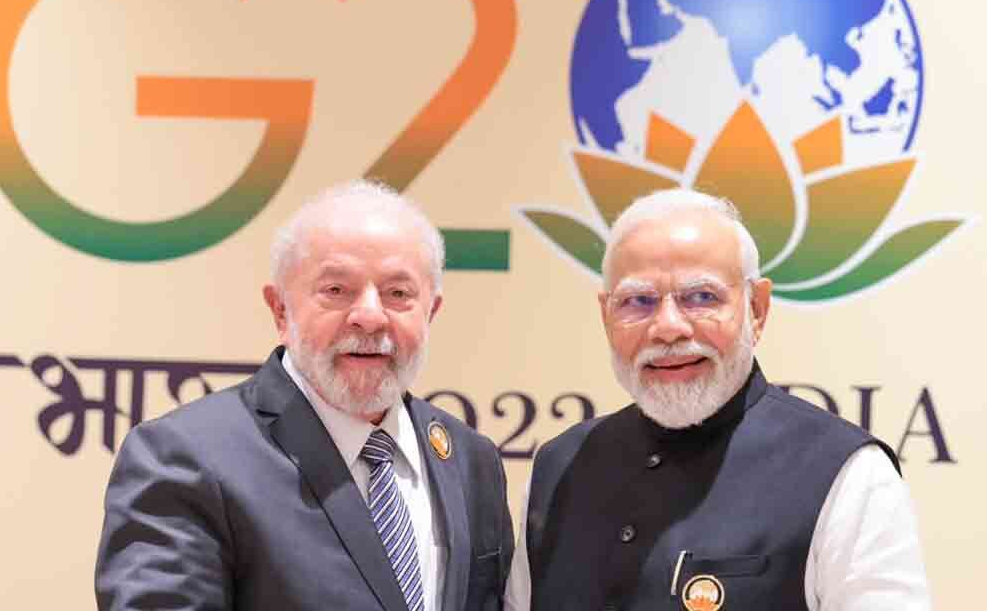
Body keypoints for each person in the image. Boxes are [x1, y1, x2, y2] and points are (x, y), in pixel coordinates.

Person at [504, 189, 930, 611]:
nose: (668, 328)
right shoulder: (558, 469)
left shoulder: (848, 476)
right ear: (606, 315)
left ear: (757, 309)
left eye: (701, 297)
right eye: (638, 302)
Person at [96, 180, 513, 610]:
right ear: (280, 310)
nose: (370, 317)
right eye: (336, 290)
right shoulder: (186, 457)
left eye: (398, 293)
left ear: (432, 311)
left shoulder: (470, 460)